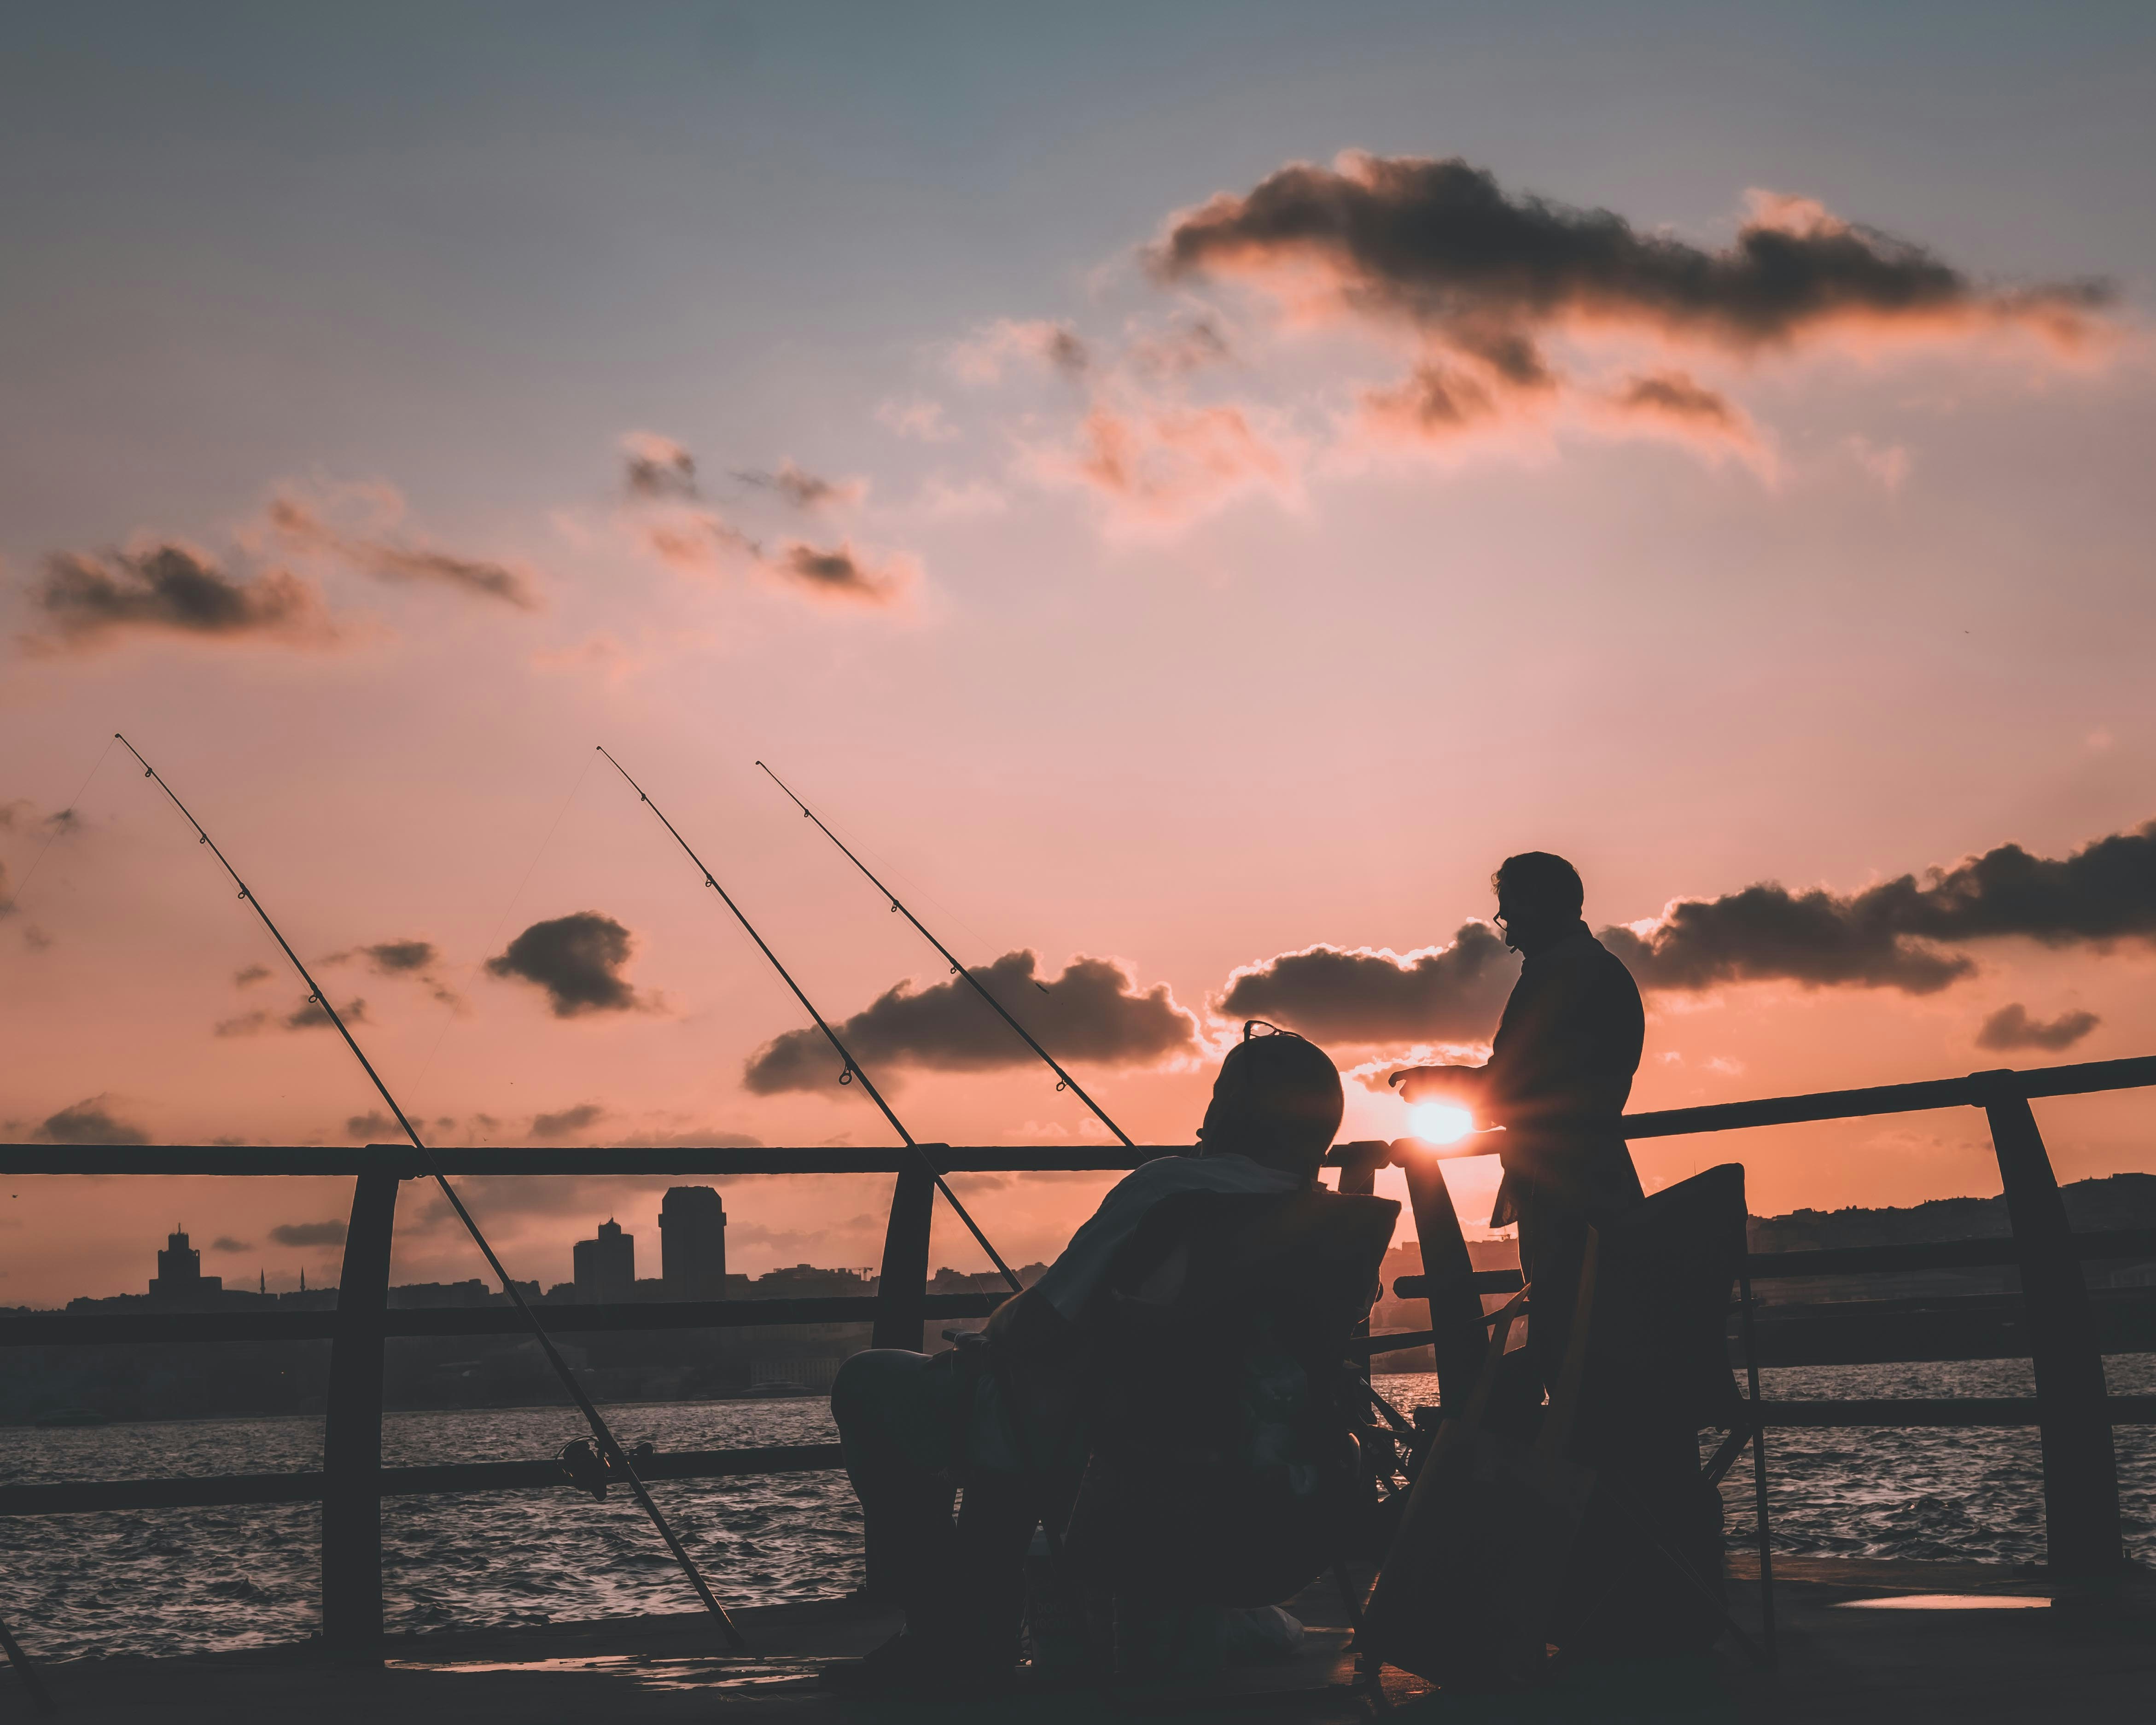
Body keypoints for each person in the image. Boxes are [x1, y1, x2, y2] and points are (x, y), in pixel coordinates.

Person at [824, 1023, 1346, 1696]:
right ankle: (991, 1623)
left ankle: (948, 1628)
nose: (1201, 1117)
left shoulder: (1172, 1191)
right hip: (1247, 1454)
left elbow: (1041, 1322)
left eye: (1216, 1096)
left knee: (871, 1382)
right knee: (1026, 1401)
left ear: (1239, 1113)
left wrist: (995, 1336)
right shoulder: (1328, 1219)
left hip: (1109, 1446)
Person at [1389, 851, 1643, 1393]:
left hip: (1562, 1187)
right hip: (1590, 1175)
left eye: (1512, 916)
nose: (1508, 936)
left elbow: (1512, 1085)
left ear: (1541, 907)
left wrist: (1437, 1083)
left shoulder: (1558, 974)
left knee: (1568, 1340)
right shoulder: (1593, 968)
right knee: (1595, 1342)